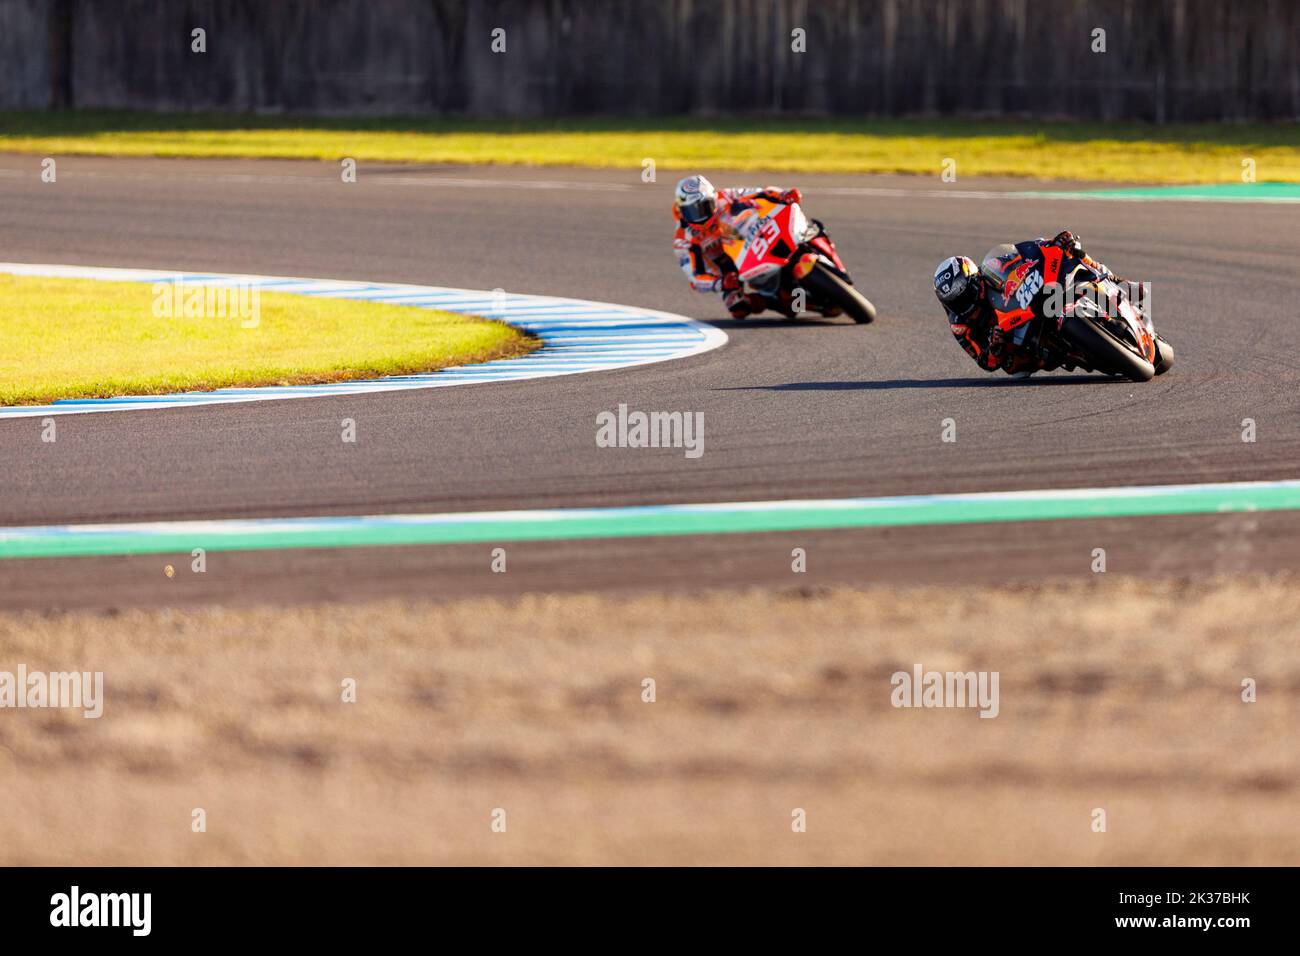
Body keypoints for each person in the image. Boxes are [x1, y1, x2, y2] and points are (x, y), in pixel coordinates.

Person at [932, 231, 1119, 376]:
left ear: (975, 280)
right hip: (1016, 339)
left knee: (1073, 252)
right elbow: (984, 362)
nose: (963, 305)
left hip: (1033, 299)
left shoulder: (994, 268)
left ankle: (1112, 279)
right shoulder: (960, 325)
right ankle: (1071, 352)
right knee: (1015, 369)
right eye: (956, 302)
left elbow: (1028, 252)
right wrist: (995, 347)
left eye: (965, 296)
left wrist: (1055, 243)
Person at [672, 174, 803, 318]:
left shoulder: (725, 196)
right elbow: (695, 278)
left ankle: (809, 236)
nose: (698, 216)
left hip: (751, 236)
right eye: (691, 211)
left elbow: (761, 192)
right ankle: (778, 301)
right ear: (681, 210)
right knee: (738, 308)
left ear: (712, 199)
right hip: (728, 270)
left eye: (703, 207)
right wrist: (720, 283)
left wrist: (783, 195)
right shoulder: (683, 239)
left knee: (788, 213)